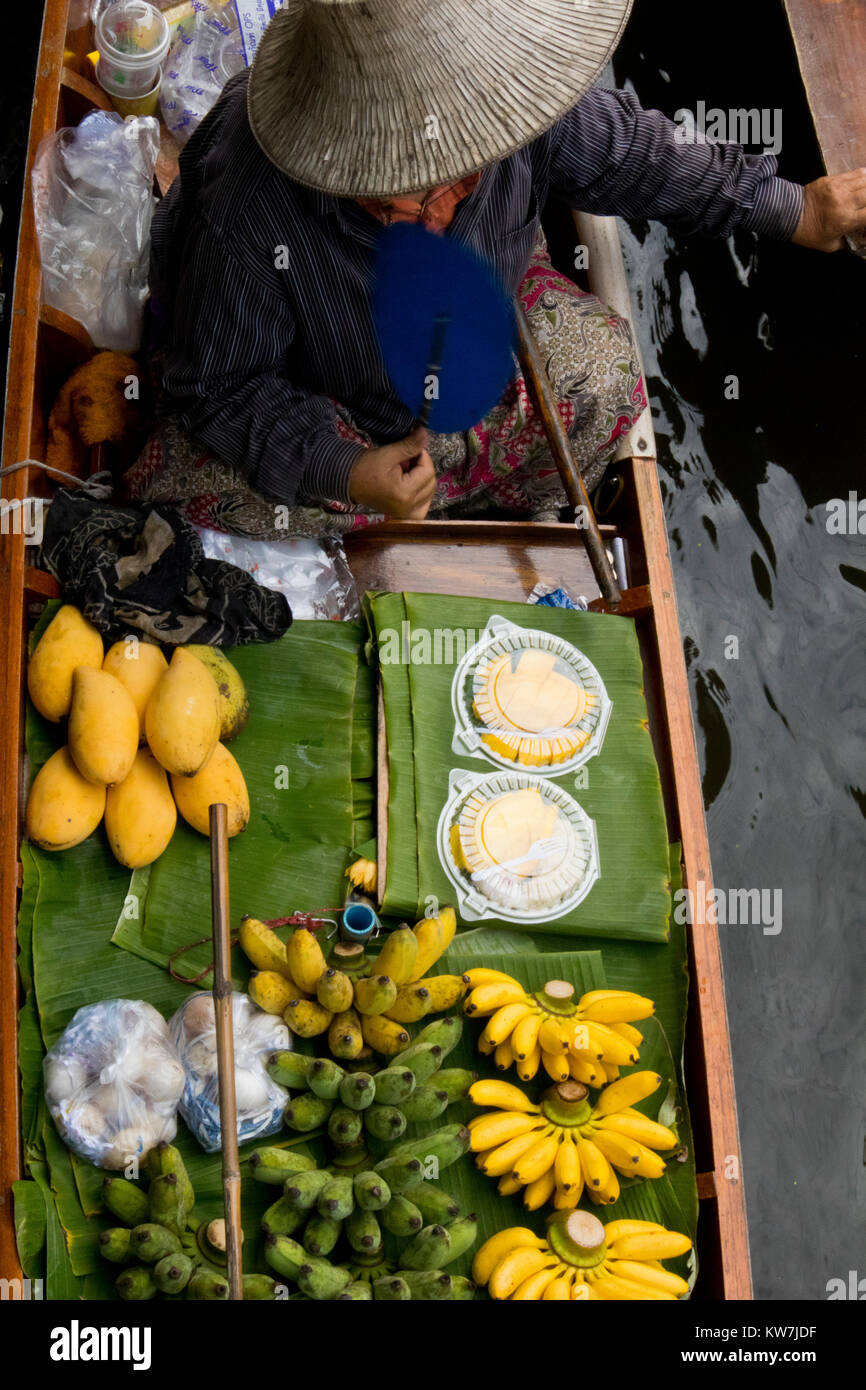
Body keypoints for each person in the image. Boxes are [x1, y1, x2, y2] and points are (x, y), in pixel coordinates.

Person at [127, 0, 866, 539]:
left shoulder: (513, 101)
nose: (437, 207)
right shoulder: (249, 203)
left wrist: (793, 208)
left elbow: (641, 159)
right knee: (192, 496)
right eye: (403, 191)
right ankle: (405, 509)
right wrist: (346, 469)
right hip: (332, 402)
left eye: (461, 180)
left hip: (474, 323)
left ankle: (465, 513)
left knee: (607, 381)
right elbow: (221, 389)